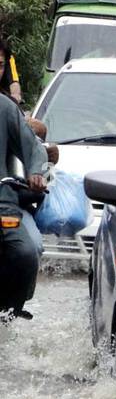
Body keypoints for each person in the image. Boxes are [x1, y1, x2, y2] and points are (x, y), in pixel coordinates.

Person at [1, 94, 49, 318]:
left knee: (27, 252)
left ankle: (12, 311)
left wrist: (36, 172)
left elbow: (33, 147)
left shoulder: (5, 108)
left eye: (1, 66)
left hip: (4, 203)